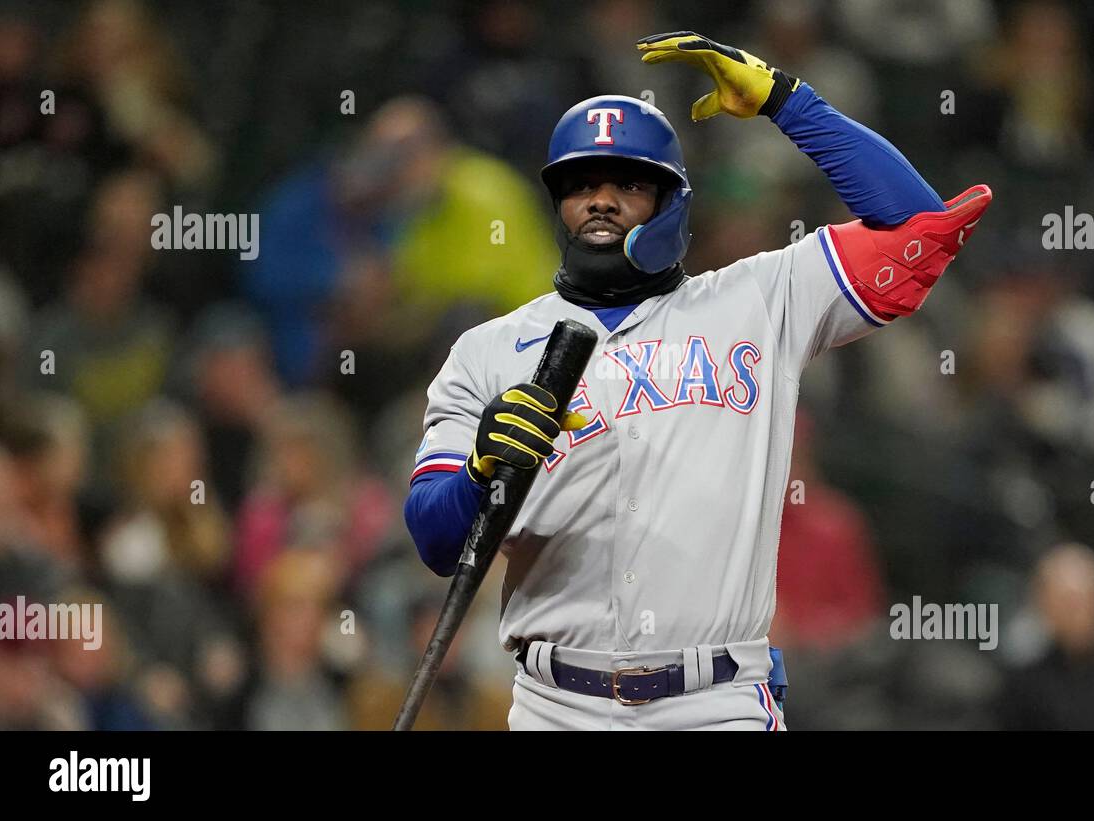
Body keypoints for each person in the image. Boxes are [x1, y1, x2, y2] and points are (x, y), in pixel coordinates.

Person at [404, 31, 992, 730]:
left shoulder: (760, 299)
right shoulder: (489, 350)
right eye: (581, 183)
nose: (601, 200)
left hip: (714, 703)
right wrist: (478, 472)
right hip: (555, 704)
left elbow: (921, 227)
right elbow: (436, 542)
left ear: (672, 201)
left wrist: (786, 101)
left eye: (628, 182)